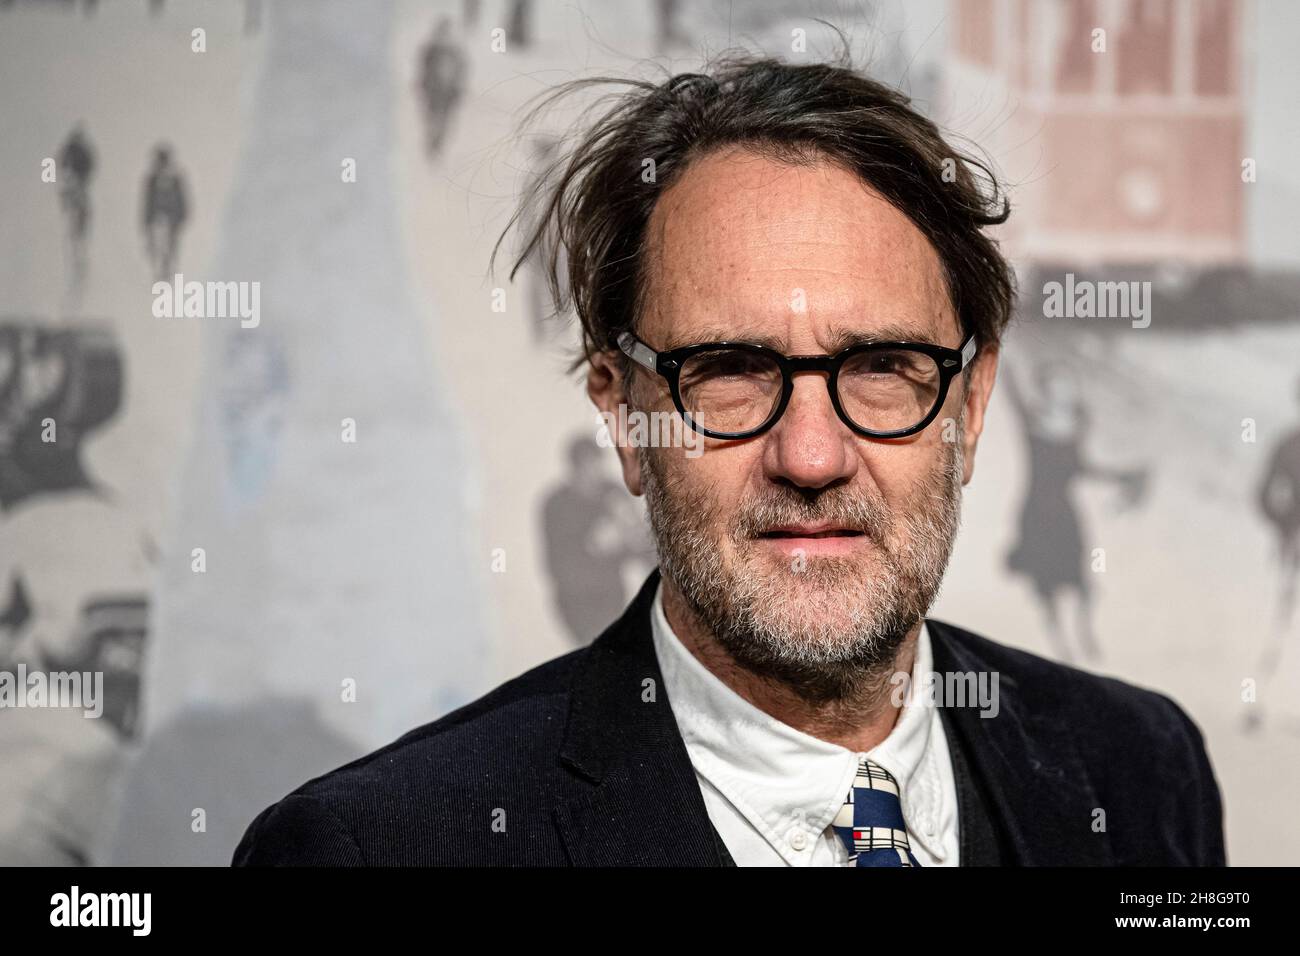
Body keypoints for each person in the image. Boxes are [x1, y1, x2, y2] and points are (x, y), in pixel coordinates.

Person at [233, 49, 1225, 867]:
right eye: (730, 371)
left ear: (969, 402)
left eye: (882, 365)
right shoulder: (379, 850)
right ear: (622, 415)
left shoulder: (1139, 770)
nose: (810, 453)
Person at [142, 144, 189, 281]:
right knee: (158, 246)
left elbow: (182, 198)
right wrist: (147, 220)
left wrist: (182, 215)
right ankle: (161, 271)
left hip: (171, 218)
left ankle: (166, 271)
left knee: (169, 245)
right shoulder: (152, 178)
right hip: (157, 218)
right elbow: (147, 201)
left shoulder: (175, 177)